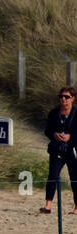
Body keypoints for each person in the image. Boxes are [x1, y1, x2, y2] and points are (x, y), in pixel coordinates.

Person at [41, 85, 77, 213]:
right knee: (53, 176)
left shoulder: (76, 114)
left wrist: (70, 137)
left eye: (67, 97)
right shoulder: (53, 113)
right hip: (57, 149)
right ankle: (48, 206)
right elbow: (47, 131)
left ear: (73, 98)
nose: (63, 99)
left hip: (73, 150)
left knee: (75, 178)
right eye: (61, 96)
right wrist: (54, 135)